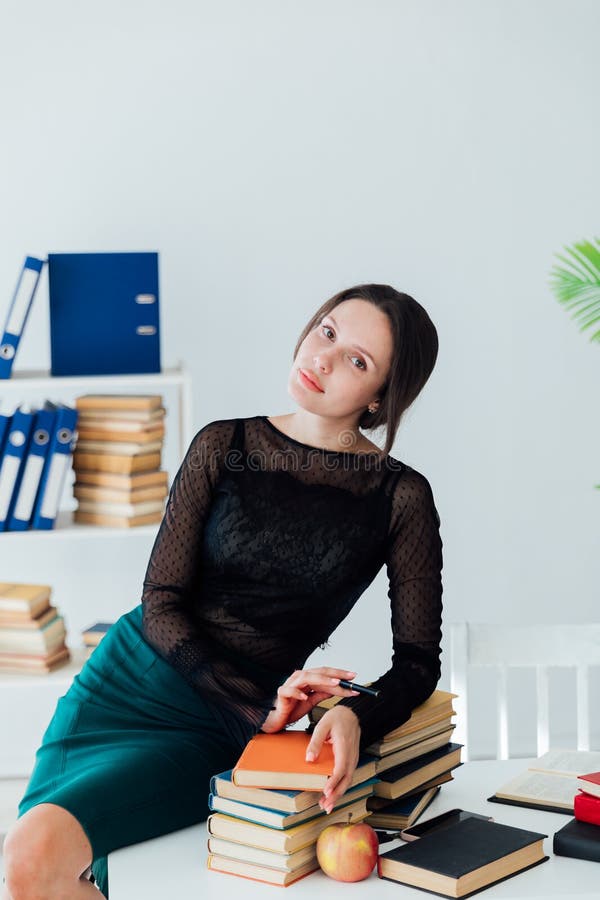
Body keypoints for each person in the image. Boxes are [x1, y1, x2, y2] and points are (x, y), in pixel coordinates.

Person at [2, 283, 444, 899]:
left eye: (356, 360)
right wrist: (253, 704)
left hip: (222, 726)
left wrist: (354, 714)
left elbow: (418, 662)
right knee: (28, 864)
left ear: (380, 398)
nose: (323, 358)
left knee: (36, 858)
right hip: (131, 682)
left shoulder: (399, 497)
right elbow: (161, 600)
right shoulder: (222, 444)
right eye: (327, 331)